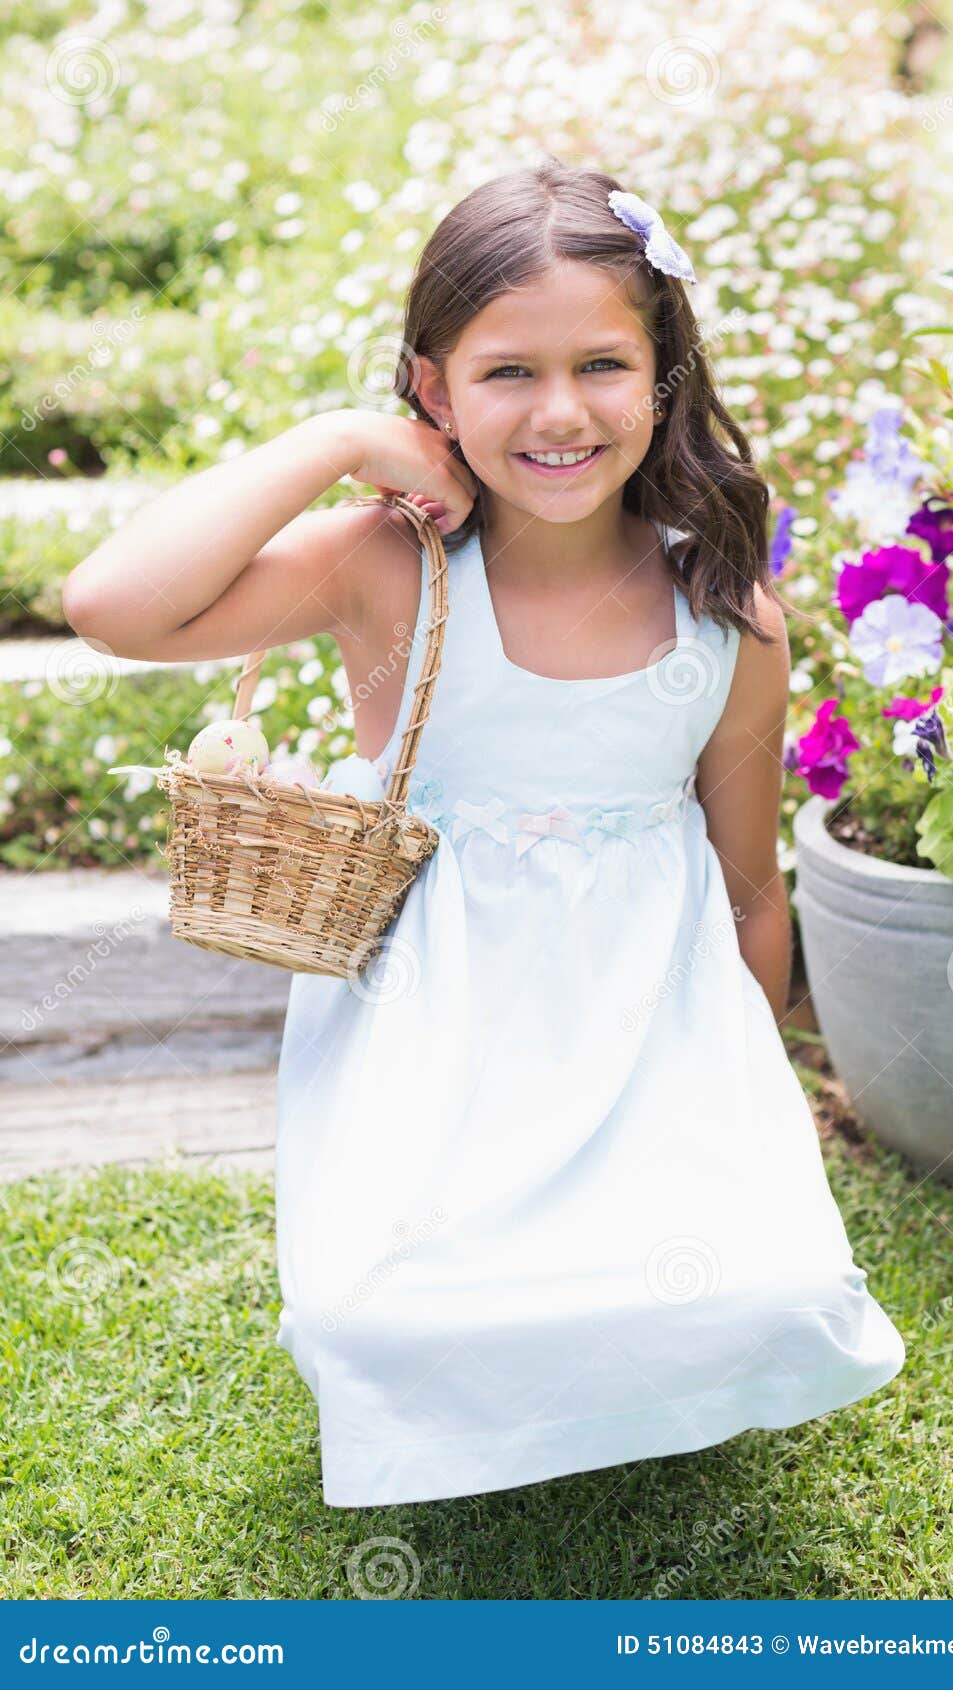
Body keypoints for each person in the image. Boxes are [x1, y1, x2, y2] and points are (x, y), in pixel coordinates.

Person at [63, 159, 906, 1511]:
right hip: (441, 1038)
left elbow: (750, 894)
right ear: (434, 387)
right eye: (508, 371)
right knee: (378, 1320)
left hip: (650, 1035)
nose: (562, 412)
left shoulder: (727, 611)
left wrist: (750, 1129)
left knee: (776, 1291)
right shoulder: (388, 569)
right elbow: (112, 603)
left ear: (663, 376)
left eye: (602, 366)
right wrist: (344, 444)